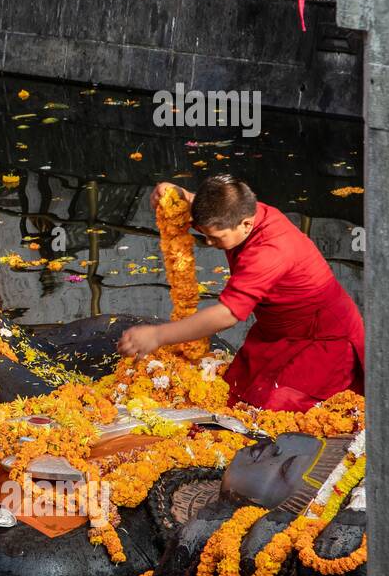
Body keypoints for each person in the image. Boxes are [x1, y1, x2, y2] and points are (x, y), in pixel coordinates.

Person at [117, 174, 365, 411]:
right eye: (205, 235)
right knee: (234, 394)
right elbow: (204, 203)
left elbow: (229, 314)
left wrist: (157, 335)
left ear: (246, 224)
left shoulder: (270, 251)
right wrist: (175, 194)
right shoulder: (238, 211)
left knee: (274, 412)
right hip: (277, 333)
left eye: (215, 238)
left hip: (324, 339)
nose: (210, 243)